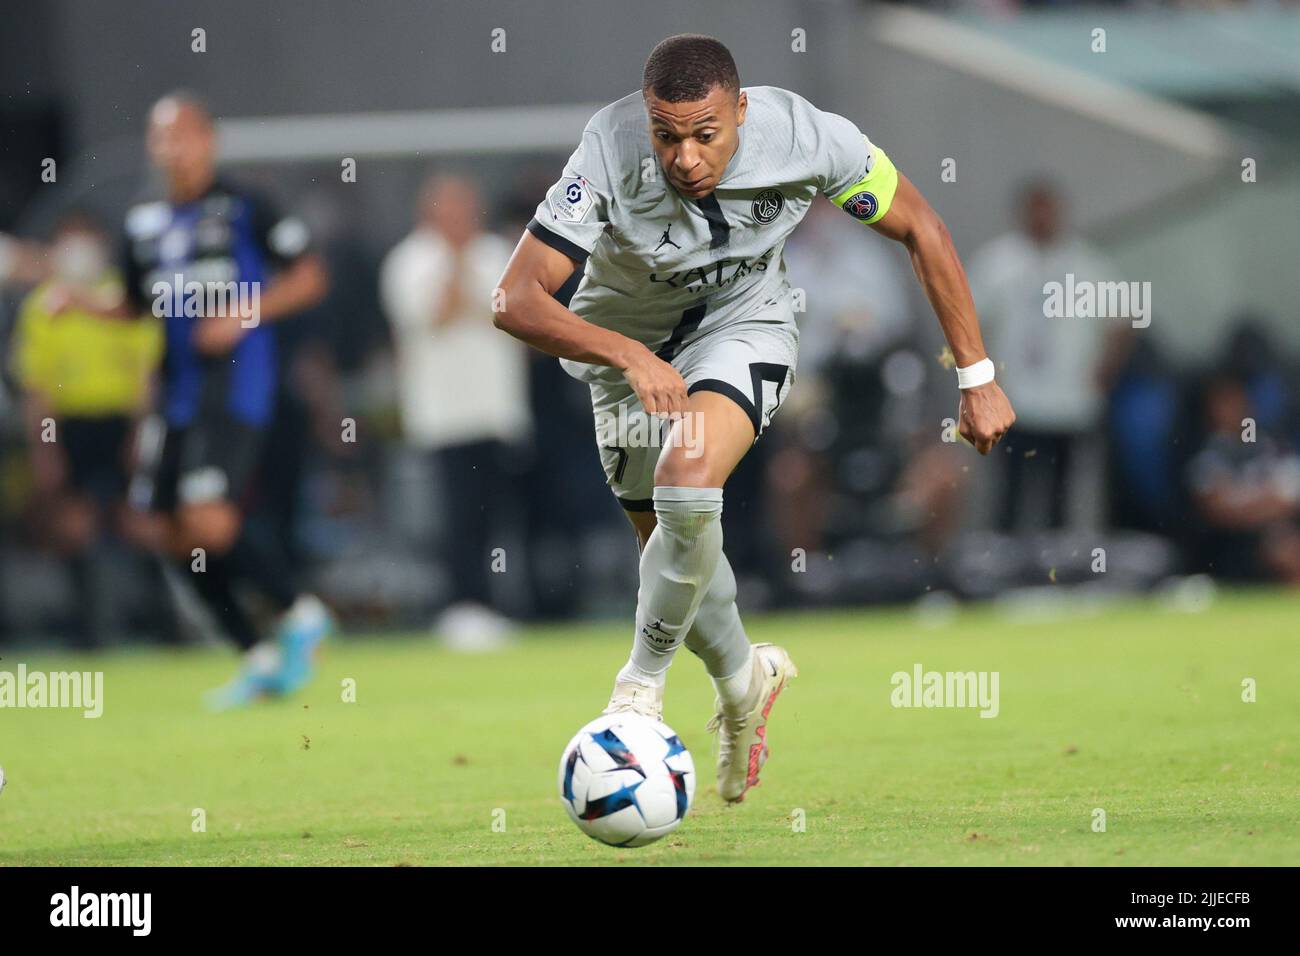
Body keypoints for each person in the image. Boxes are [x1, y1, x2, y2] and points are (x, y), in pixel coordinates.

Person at [495, 35, 1015, 803]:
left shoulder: (807, 137)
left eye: (706, 134)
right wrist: (629, 358)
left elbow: (921, 228)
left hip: (747, 326)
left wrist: (977, 377)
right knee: (682, 547)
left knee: (687, 476)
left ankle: (636, 690)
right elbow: (515, 299)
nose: (685, 157)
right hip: (625, 357)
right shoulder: (607, 148)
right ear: (647, 120)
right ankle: (744, 680)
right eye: (667, 135)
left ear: (741, 111)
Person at [115, 92, 334, 707]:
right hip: (172, 390)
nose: (172, 147)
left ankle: (299, 609)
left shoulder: (247, 205)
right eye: (161, 137)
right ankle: (255, 652)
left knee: (209, 516)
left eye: (183, 134)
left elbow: (310, 276)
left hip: (235, 383)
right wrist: (78, 300)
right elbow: (134, 307)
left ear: (207, 140)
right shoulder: (141, 221)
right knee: (164, 527)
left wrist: (247, 311)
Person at [380, 174, 531, 647]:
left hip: (496, 411)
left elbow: (513, 318)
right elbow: (438, 314)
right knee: (458, 515)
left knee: (494, 515)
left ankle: (490, 603)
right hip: (445, 415)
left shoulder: (497, 255)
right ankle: (461, 606)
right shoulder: (409, 262)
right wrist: (457, 263)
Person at [10, 213, 163, 647]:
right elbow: (36, 389)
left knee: (137, 520)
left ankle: (162, 621)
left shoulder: (123, 298)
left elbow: (146, 374)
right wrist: (46, 449)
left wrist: (142, 432)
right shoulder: (41, 307)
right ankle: (91, 630)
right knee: (73, 524)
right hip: (71, 426)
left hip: (121, 422)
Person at [966, 179, 1115, 531]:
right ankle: (1003, 565)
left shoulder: (1085, 262)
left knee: (1060, 493)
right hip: (1013, 399)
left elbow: (1121, 324)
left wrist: (1102, 373)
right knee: (1010, 491)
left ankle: (1056, 568)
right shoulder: (997, 262)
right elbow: (967, 319)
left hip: (1069, 401)